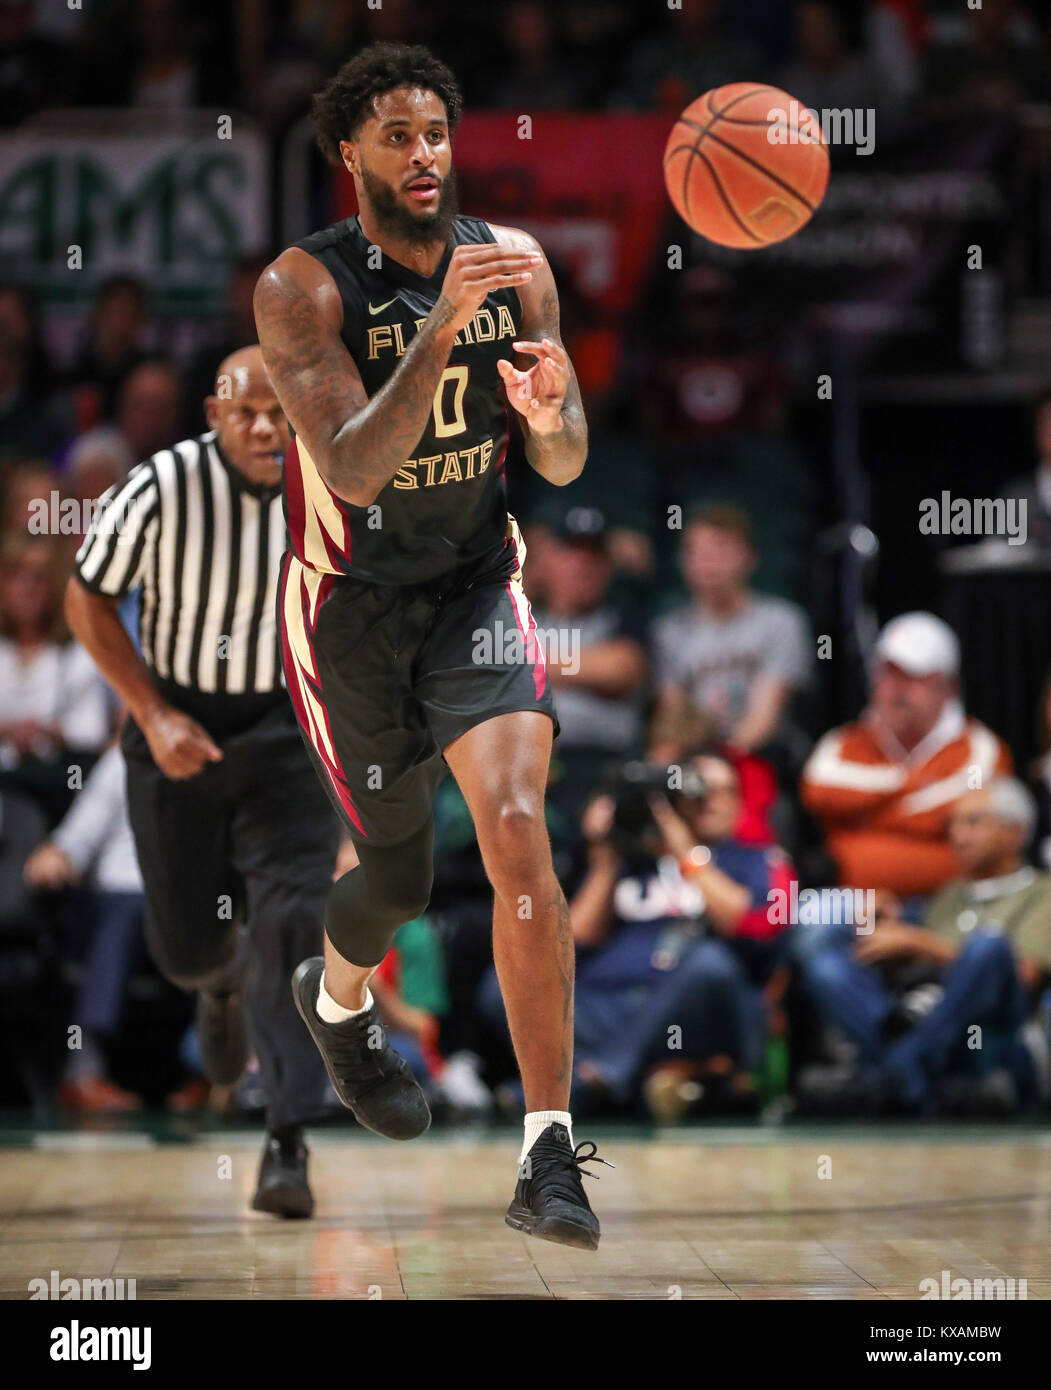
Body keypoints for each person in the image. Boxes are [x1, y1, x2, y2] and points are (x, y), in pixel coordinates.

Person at [254, 41, 610, 1250]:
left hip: (470, 586)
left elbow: (560, 460)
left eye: (437, 134)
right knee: (395, 880)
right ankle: (338, 1003)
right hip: (347, 610)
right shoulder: (301, 289)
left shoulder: (518, 266)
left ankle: (548, 1152)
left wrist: (553, 410)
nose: (424, 156)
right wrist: (435, 332)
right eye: (397, 137)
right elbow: (351, 466)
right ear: (347, 152)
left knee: (518, 834)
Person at [65, 347, 340, 1219]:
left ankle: (286, 1138)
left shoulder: (333, 482)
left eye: (278, 412)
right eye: (244, 412)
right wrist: (149, 714)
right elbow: (87, 599)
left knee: (293, 921)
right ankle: (217, 986)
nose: (265, 427)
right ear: (213, 417)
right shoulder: (157, 488)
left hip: (284, 726)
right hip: (177, 722)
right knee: (185, 948)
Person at [795, 780, 1051, 1115]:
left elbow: (1022, 976)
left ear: (1016, 832)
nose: (958, 836)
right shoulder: (950, 895)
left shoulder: (1041, 893)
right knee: (826, 964)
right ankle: (911, 1071)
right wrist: (887, 931)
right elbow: (915, 974)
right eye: (954, 824)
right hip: (924, 1014)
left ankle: (894, 1072)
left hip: (987, 1033)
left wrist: (923, 944)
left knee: (989, 946)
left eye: (973, 822)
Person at [801, 611, 1013, 899]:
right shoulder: (843, 742)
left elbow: (966, 812)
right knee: (812, 919)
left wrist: (864, 819)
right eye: (887, 674)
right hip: (851, 906)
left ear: (949, 688)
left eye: (913, 677)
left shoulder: (981, 749)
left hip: (948, 908)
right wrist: (910, 782)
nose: (896, 689)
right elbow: (818, 791)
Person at [652, 505, 812, 758]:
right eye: (696, 551)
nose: (708, 561)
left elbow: (763, 722)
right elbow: (673, 720)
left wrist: (722, 767)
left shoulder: (781, 621)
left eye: (721, 549)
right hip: (696, 762)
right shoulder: (669, 630)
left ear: (750, 556)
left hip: (765, 760)